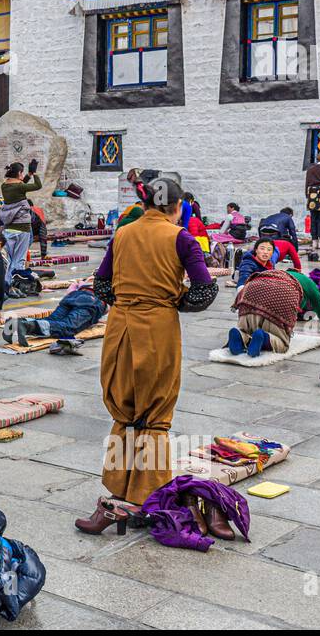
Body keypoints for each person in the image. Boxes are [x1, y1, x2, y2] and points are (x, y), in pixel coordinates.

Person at [76, 176, 218, 533]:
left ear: (146, 204)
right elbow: (204, 292)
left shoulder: (123, 232)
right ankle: (147, 498)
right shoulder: (181, 237)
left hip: (120, 326)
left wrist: (129, 302)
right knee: (154, 412)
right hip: (157, 327)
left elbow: (101, 285)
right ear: (178, 207)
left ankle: (117, 490)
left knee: (124, 408)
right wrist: (170, 300)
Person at [226, 268, 320, 356]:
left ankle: (241, 336)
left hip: (251, 290)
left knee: (247, 329)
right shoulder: (309, 283)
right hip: (281, 295)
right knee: (282, 343)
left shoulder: (277, 273)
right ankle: (264, 337)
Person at [5, 276, 108, 349]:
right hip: (93, 300)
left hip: (73, 295)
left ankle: (17, 322)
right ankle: (27, 326)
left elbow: (70, 290)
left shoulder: (88, 279)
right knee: (68, 327)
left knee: (51, 320)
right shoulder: (109, 285)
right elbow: (109, 307)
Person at [0, 160, 42, 280]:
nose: (23, 176)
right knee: (19, 259)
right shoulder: (20, 187)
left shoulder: (4, 186)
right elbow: (38, 185)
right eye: (22, 173)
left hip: (9, 227)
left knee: (9, 257)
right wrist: (34, 173)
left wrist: (28, 175)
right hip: (22, 228)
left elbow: (21, 185)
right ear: (19, 173)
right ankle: (17, 281)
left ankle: (7, 281)